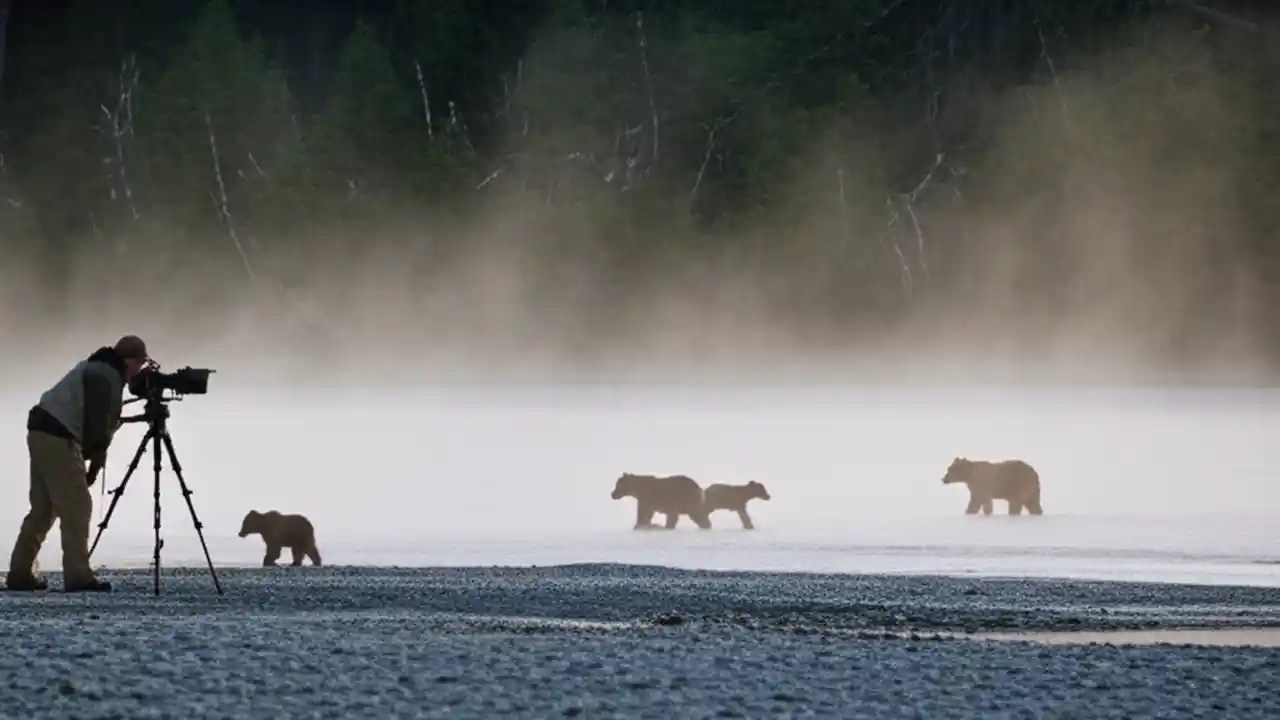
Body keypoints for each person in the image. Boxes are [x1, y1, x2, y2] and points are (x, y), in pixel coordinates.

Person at [4, 335, 149, 592]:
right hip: (59, 434)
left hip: (40, 429)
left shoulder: (97, 367)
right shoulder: (108, 377)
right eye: (141, 363)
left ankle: (20, 572)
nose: (141, 370)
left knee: (43, 508)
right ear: (131, 361)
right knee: (78, 506)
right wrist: (93, 468)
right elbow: (99, 431)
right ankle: (78, 575)